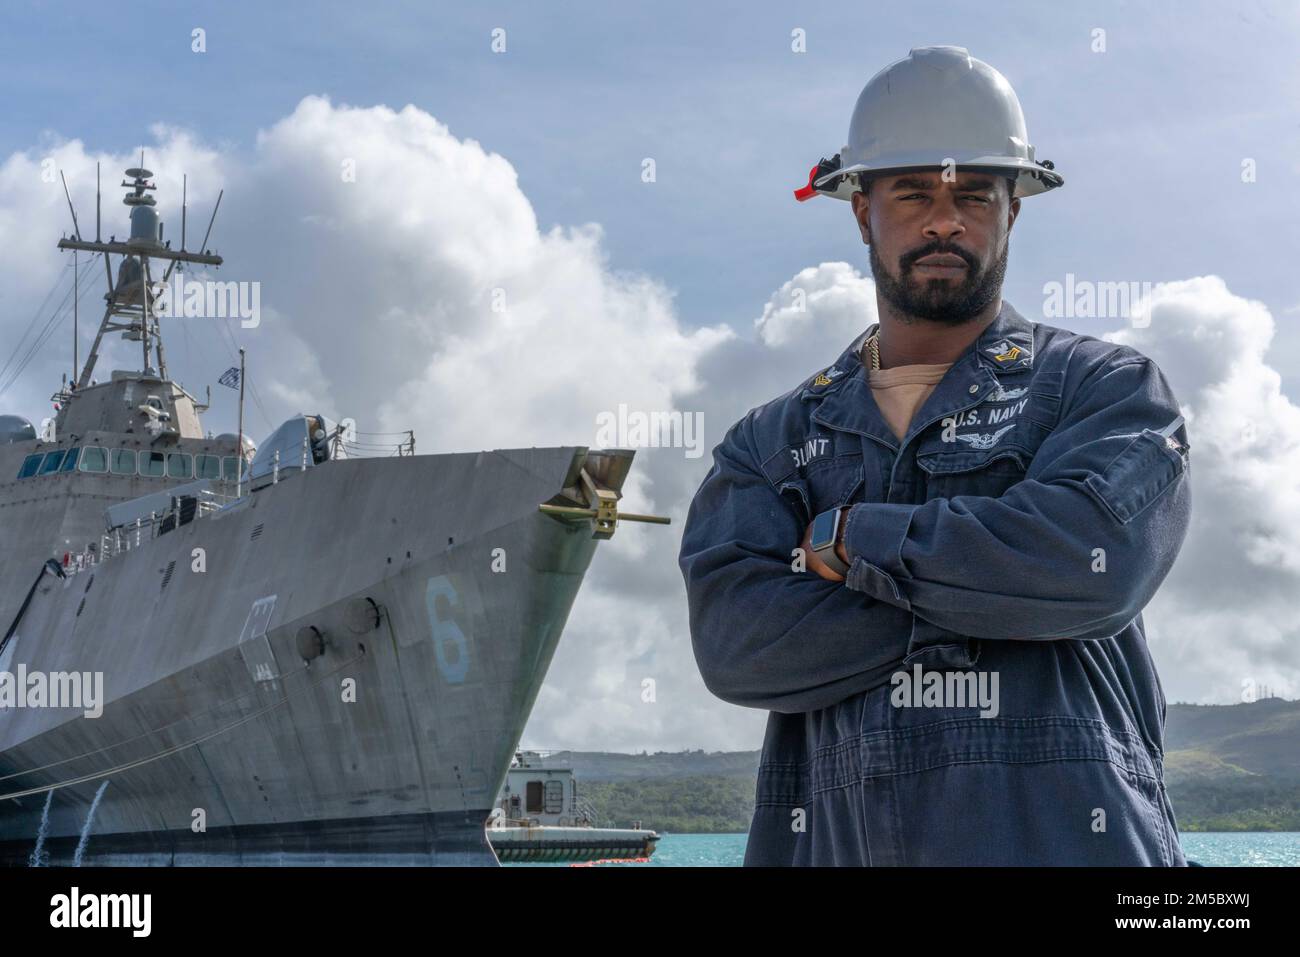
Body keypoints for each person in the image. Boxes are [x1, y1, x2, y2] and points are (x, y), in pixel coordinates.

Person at [678, 46, 1191, 865]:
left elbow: (1091, 568)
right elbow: (741, 647)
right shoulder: (768, 442)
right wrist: (997, 595)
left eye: (973, 195)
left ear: (1013, 212)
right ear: (861, 211)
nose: (944, 219)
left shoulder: (1104, 390)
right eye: (914, 192)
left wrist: (851, 540)